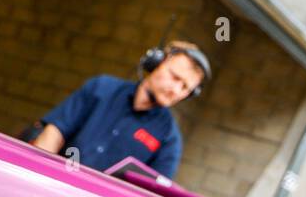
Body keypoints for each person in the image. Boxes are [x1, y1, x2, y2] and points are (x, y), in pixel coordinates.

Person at [32, 42, 210, 178]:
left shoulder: (169, 139)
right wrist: (36, 175)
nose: (176, 90)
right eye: (175, 77)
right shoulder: (101, 87)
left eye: (185, 87)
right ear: (156, 63)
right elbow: (54, 133)